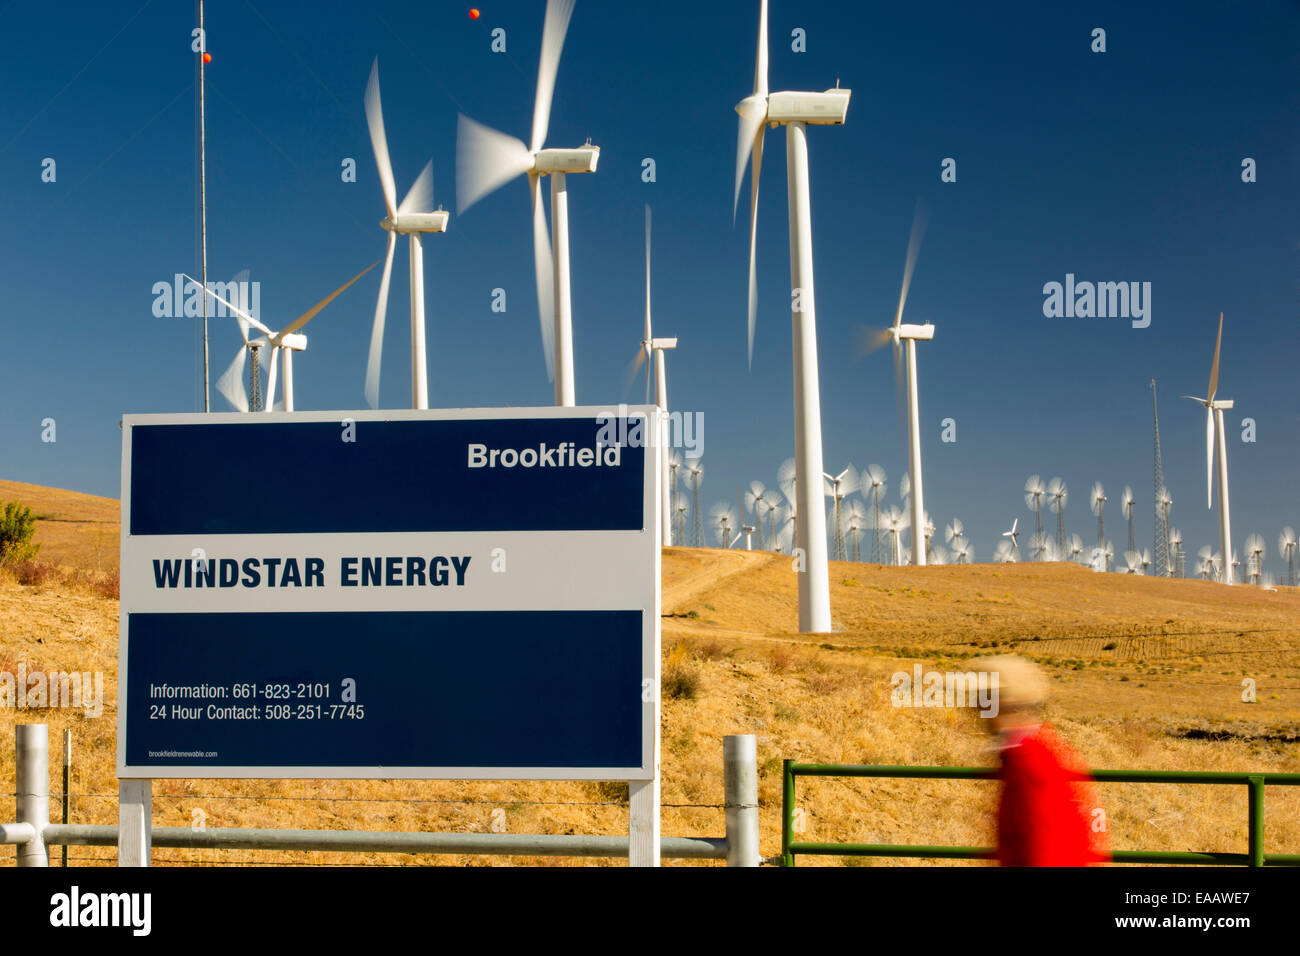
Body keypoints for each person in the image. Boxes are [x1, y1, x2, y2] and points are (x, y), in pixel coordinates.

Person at [971, 655, 1110, 866]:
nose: (974, 707)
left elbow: (1039, 853)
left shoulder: (1028, 764)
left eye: (982, 698)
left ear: (1007, 703)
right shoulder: (1042, 749)